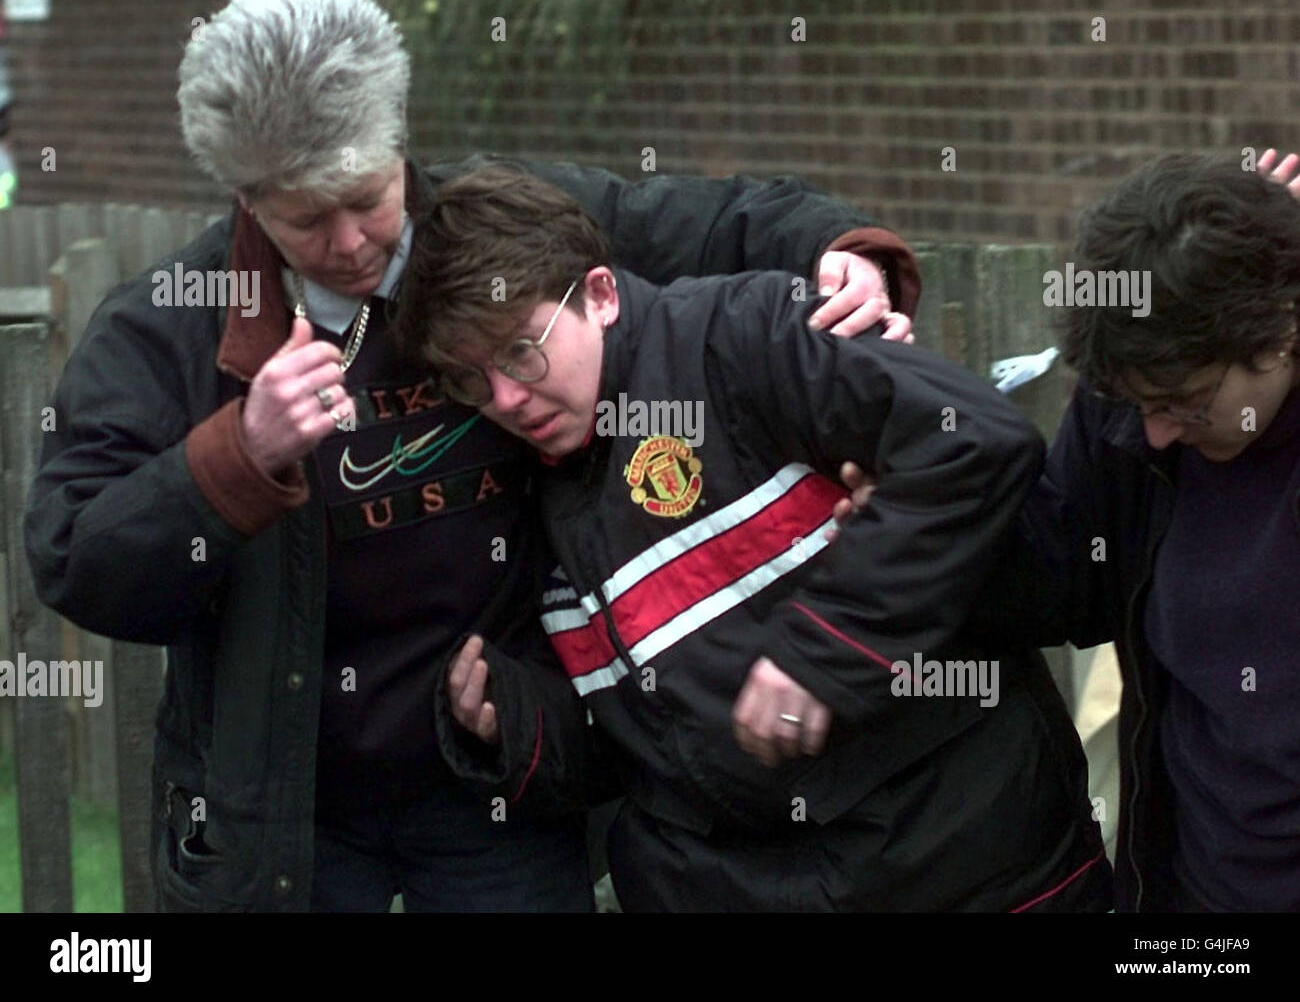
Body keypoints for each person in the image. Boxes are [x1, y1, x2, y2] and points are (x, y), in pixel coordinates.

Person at [22, 0, 913, 912]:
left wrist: (841, 251)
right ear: (248, 198)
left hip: (498, 786)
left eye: (368, 196)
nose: (353, 241)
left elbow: (708, 223)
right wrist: (240, 453)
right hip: (289, 816)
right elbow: (79, 560)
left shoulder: (503, 232)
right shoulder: (168, 326)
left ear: (398, 137)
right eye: (305, 220)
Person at [393, 164, 1113, 912]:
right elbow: (647, 755)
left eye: (519, 351)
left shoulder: (746, 335)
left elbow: (973, 443)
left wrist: (826, 648)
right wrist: (522, 724)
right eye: (472, 381)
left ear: (601, 294)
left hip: (966, 859)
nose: (507, 398)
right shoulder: (522, 492)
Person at [949, 151, 1300, 912]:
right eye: (1136, 403)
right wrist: (927, 510)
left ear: (1277, 334)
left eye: (1185, 401)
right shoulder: (1137, 404)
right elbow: (1059, 580)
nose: (1158, 432)